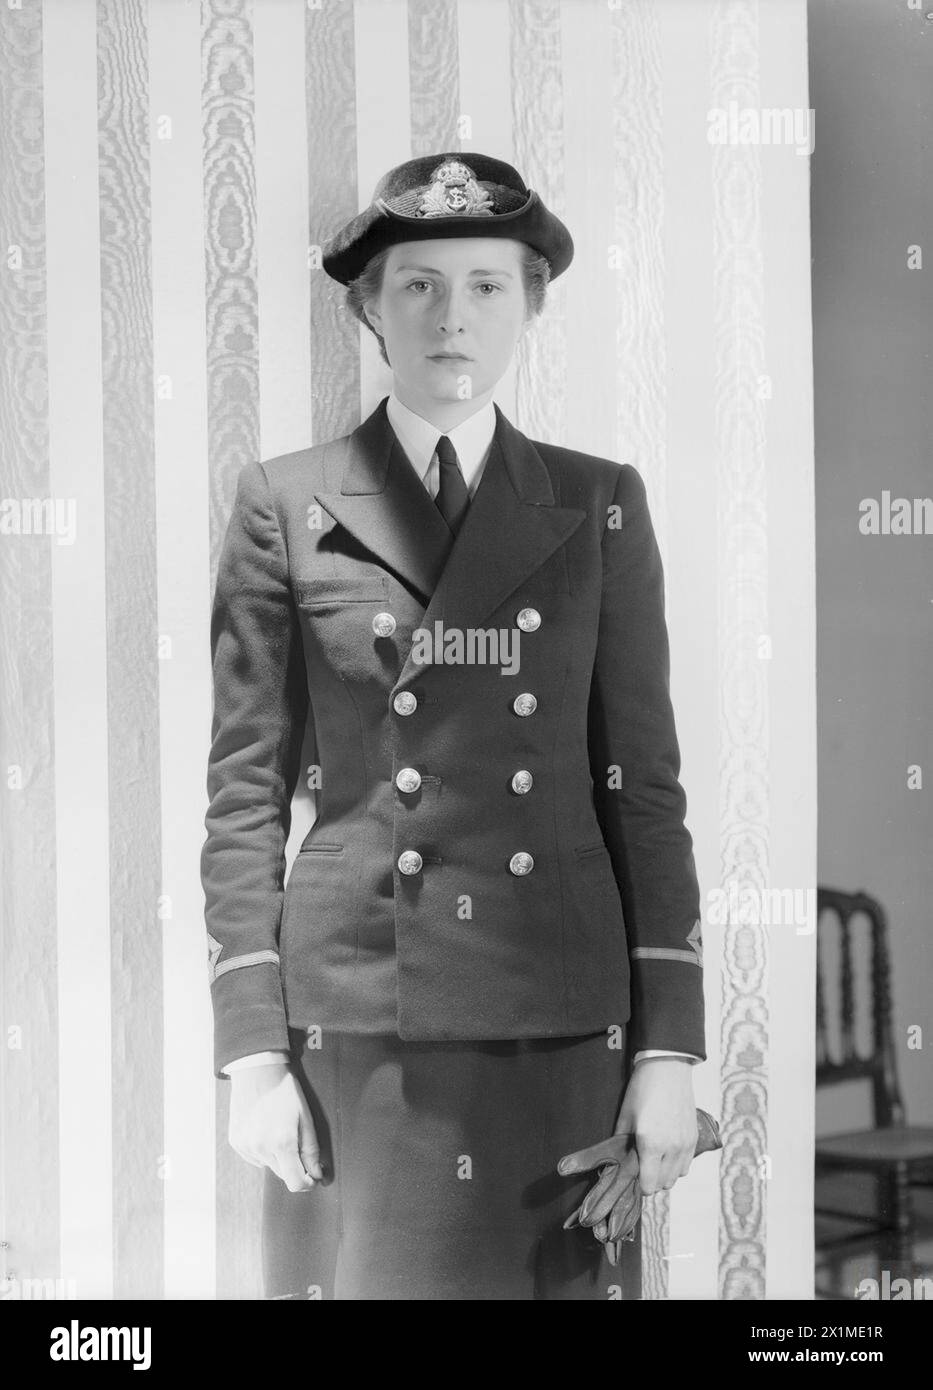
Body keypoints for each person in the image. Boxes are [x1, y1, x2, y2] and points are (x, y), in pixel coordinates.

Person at [200, 152, 706, 1301]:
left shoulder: (598, 500)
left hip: (561, 1021)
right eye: (418, 284)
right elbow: (243, 792)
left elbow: (645, 788)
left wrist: (670, 1046)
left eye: (487, 285)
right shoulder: (286, 500)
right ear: (368, 309)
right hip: (360, 1023)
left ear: (532, 304)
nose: (453, 317)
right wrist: (251, 1049)